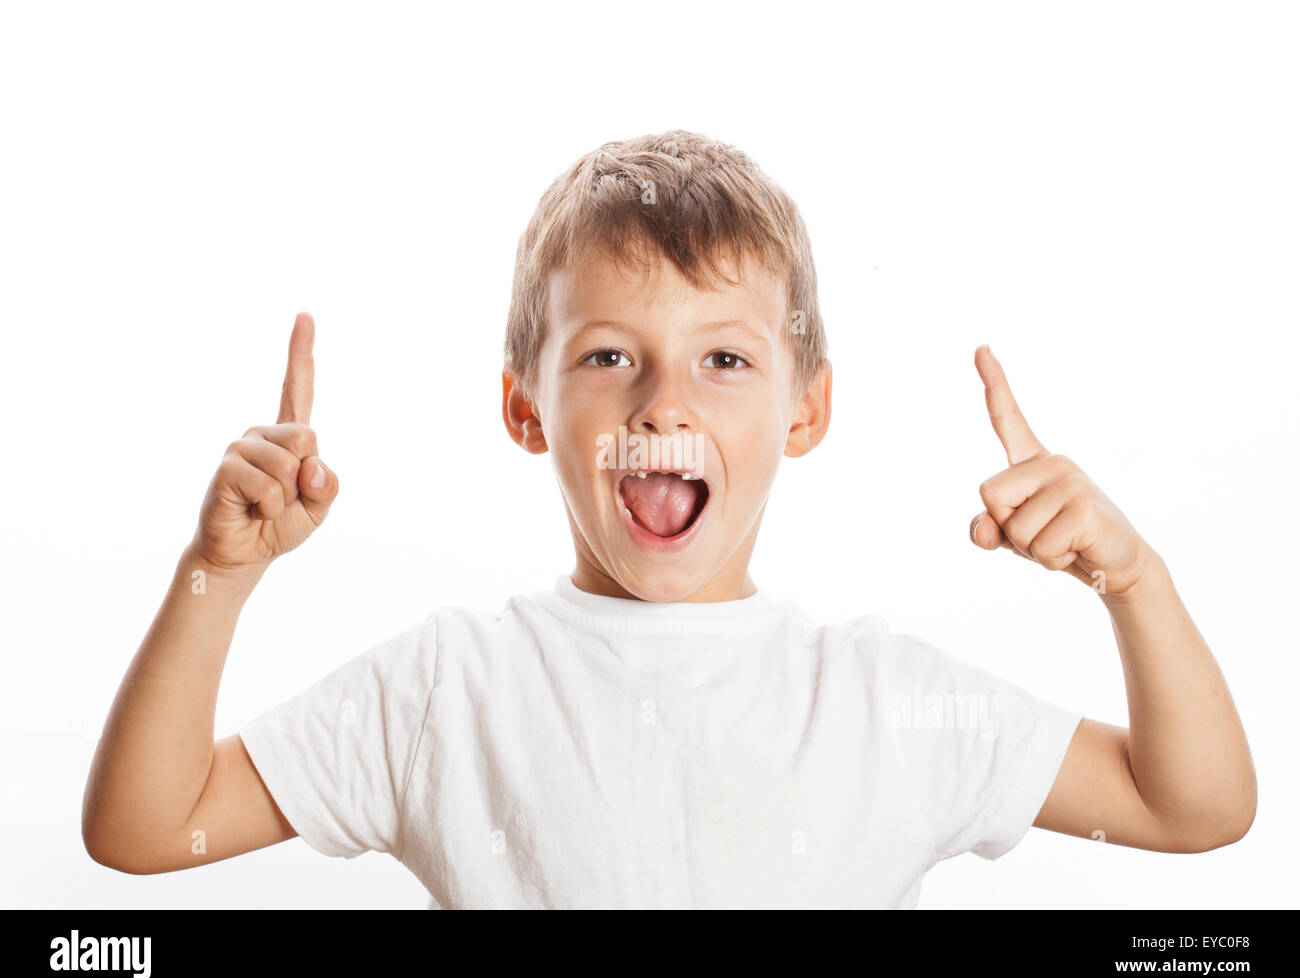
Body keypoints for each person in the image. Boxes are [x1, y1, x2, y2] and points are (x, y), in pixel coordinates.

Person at [81, 130, 1256, 907]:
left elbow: (1192, 805)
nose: (664, 402)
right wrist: (215, 577)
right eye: (606, 355)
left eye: (725, 359)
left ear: (807, 411)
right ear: (523, 406)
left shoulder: (884, 703)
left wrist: (1134, 582)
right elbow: (144, 828)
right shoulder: (446, 690)